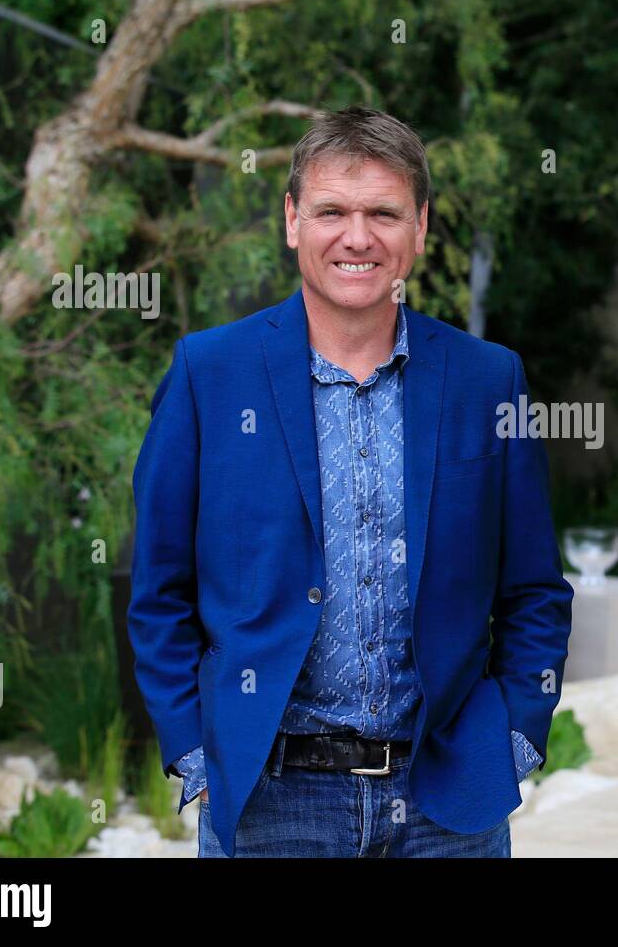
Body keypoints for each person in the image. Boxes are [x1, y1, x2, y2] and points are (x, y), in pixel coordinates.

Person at [126, 105, 573, 857]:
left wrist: (518, 736)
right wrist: (198, 759)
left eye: (384, 213)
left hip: (447, 808)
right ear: (293, 220)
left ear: (421, 228)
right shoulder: (211, 373)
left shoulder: (487, 379)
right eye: (332, 210)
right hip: (271, 808)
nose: (357, 237)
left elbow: (534, 590)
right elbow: (158, 591)